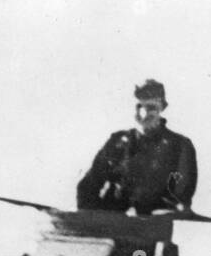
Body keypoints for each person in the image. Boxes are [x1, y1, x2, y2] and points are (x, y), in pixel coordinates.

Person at [77, 79, 198, 214]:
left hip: (155, 225)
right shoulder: (117, 142)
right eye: (139, 107)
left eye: (151, 108)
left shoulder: (179, 147)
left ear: (162, 108)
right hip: (114, 222)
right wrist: (90, 217)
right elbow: (87, 187)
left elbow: (181, 196)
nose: (144, 114)